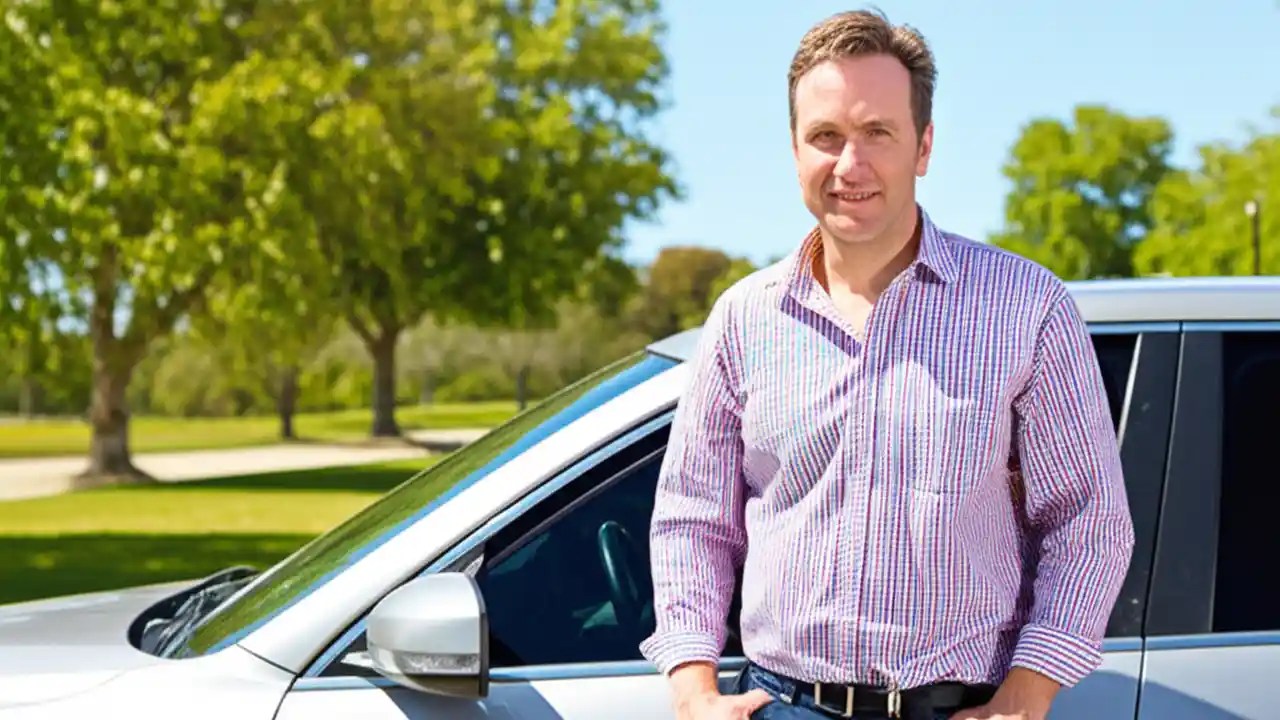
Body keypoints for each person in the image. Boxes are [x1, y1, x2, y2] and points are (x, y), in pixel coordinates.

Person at [639, 9, 1135, 720]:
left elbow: (1088, 520)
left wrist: (1029, 694)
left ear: (923, 146)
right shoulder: (743, 319)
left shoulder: (1027, 307)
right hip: (781, 705)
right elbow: (693, 519)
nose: (850, 165)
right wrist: (693, 690)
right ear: (794, 148)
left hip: (962, 707)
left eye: (878, 133)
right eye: (826, 137)